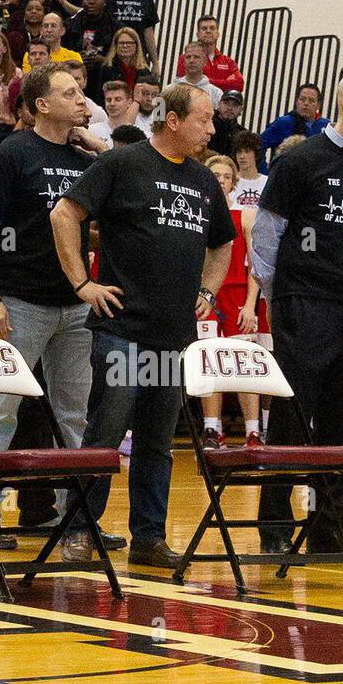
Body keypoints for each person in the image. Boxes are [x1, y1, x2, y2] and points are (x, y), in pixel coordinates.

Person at [52, 82, 235, 567]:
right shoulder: (122, 163)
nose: (211, 128)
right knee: (105, 435)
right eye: (203, 119)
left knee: (157, 442)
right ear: (172, 120)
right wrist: (81, 283)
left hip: (171, 336)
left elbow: (223, 243)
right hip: (121, 329)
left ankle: (149, 538)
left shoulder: (202, 180)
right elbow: (65, 213)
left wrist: (208, 291)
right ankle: (79, 530)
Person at [0, 62, 110, 548]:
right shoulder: (13, 152)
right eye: (70, 93)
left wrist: (103, 151)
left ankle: (72, 514)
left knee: (74, 412)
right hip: (19, 300)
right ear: (40, 105)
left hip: (75, 303)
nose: (82, 101)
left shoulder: (84, 157)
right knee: (1, 406)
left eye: (81, 91)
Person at [251, 70, 343, 563]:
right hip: (302, 302)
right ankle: (273, 525)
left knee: (342, 417)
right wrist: (278, 295)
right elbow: (266, 235)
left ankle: (328, 528)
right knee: (292, 412)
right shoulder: (300, 160)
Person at [199, 153, 262, 448]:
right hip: (207, 297)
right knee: (209, 363)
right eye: (215, 176)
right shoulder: (197, 213)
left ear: (234, 182)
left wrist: (251, 304)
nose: (220, 181)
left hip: (238, 294)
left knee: (245, 365)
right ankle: (212, 429)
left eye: (226, 176)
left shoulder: (246, 215)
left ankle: (253, 431)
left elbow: (257, 265)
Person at [172, 15, 243, 94]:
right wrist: (226, 82)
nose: (208, 31)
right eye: (204, 28)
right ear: (198, 34)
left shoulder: (228, 62)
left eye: (212, 28)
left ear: (217, 34)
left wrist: (202, 82)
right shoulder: (187, 58)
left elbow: (239, 84)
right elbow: (188, 84)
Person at [261, 83, 328, 156]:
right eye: (302, 99)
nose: (306, 103)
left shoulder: (326, 126)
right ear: (297, 101)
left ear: (318, 105)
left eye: (311, 100)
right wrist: (263, 167)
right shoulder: (284, 123)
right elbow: (259, 145)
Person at [172, 39, 222, 106]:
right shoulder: (171, 91)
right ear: (184, 61)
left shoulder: (216, 93)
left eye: (196, 57)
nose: (192, 60)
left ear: (205, 61)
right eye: (188, 57)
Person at [86, 76, 132, 147]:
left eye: (118, 99)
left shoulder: (138, 135)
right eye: (108, 100)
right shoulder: (91, 131)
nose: (112, 104)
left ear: (129, 102)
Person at [207, 87, 246, 157]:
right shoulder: (206, 125)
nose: (230, 108)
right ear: (219, 104)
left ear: (241, 110)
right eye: (226, 103)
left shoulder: (243, 135)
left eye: (235, 105)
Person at [231, 130, 265, 207]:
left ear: (256, 154)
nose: (242, 156)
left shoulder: (267, 182)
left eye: (247, 151)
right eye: (239, 152)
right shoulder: (230, 181)